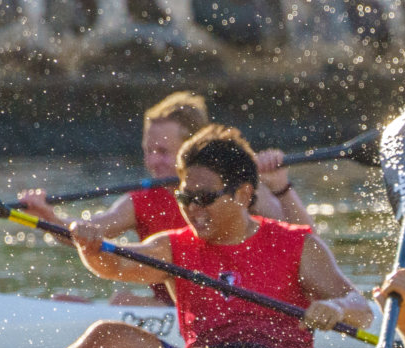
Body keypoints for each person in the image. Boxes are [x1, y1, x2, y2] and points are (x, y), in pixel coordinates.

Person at [57, 124, 373, 348]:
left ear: (243, 194)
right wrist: (90, 246)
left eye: (205, 197)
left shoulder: (297, 244)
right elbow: (116, 265)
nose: (193, 208)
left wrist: (337, 309)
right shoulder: (174, 246)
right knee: (105, 336)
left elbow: (362, 307)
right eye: (185, 198)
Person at [18, 91, 314, 305]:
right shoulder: (146, 199)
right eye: (148, 150)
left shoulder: (234, 191)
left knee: (123, 302)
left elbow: (307, 244)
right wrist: (49, 219)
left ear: (192, 149)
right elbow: (94, 229)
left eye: (163, 152)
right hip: (177, 308)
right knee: (66, 301)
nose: (153, 162)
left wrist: (281, 187)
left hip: (239, 307)